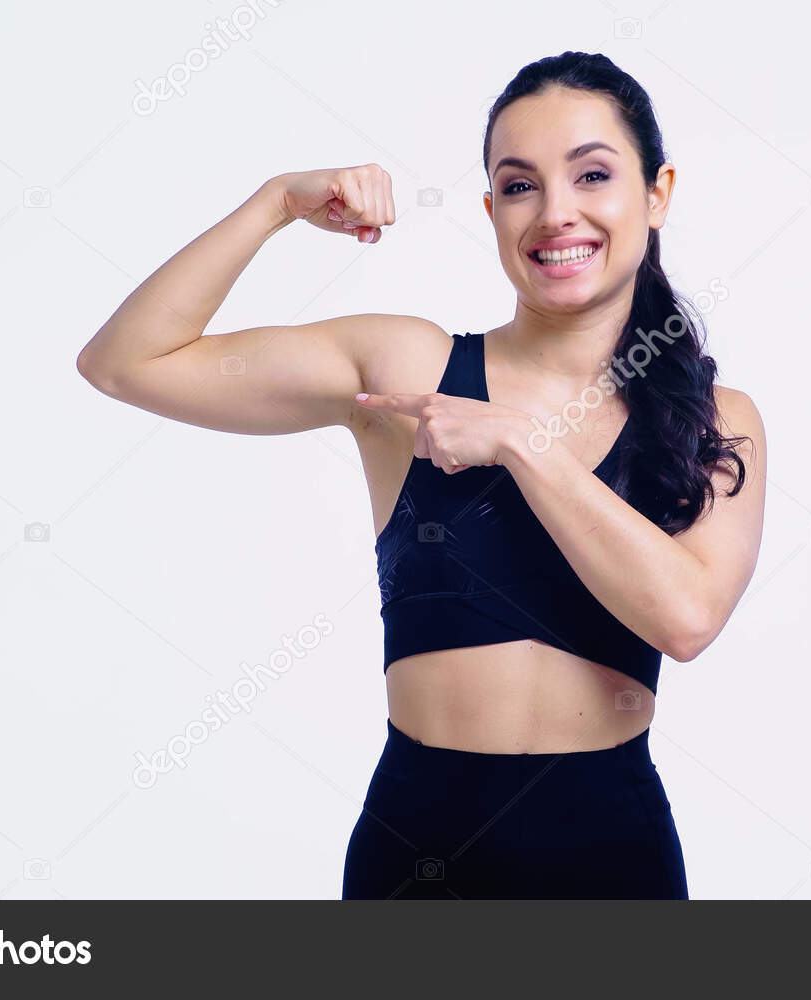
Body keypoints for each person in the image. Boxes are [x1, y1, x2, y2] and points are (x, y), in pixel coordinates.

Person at [75, 50, 766, 899]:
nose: (556, 214)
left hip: (611, 853)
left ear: (656, 193)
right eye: (519, 186)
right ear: (490, 210)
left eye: (592, 175)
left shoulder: (714, 417)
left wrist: (522, 444)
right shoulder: (408, 371)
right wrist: (276, 205)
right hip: (417, 852)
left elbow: (687, 620)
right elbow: (126, 363)